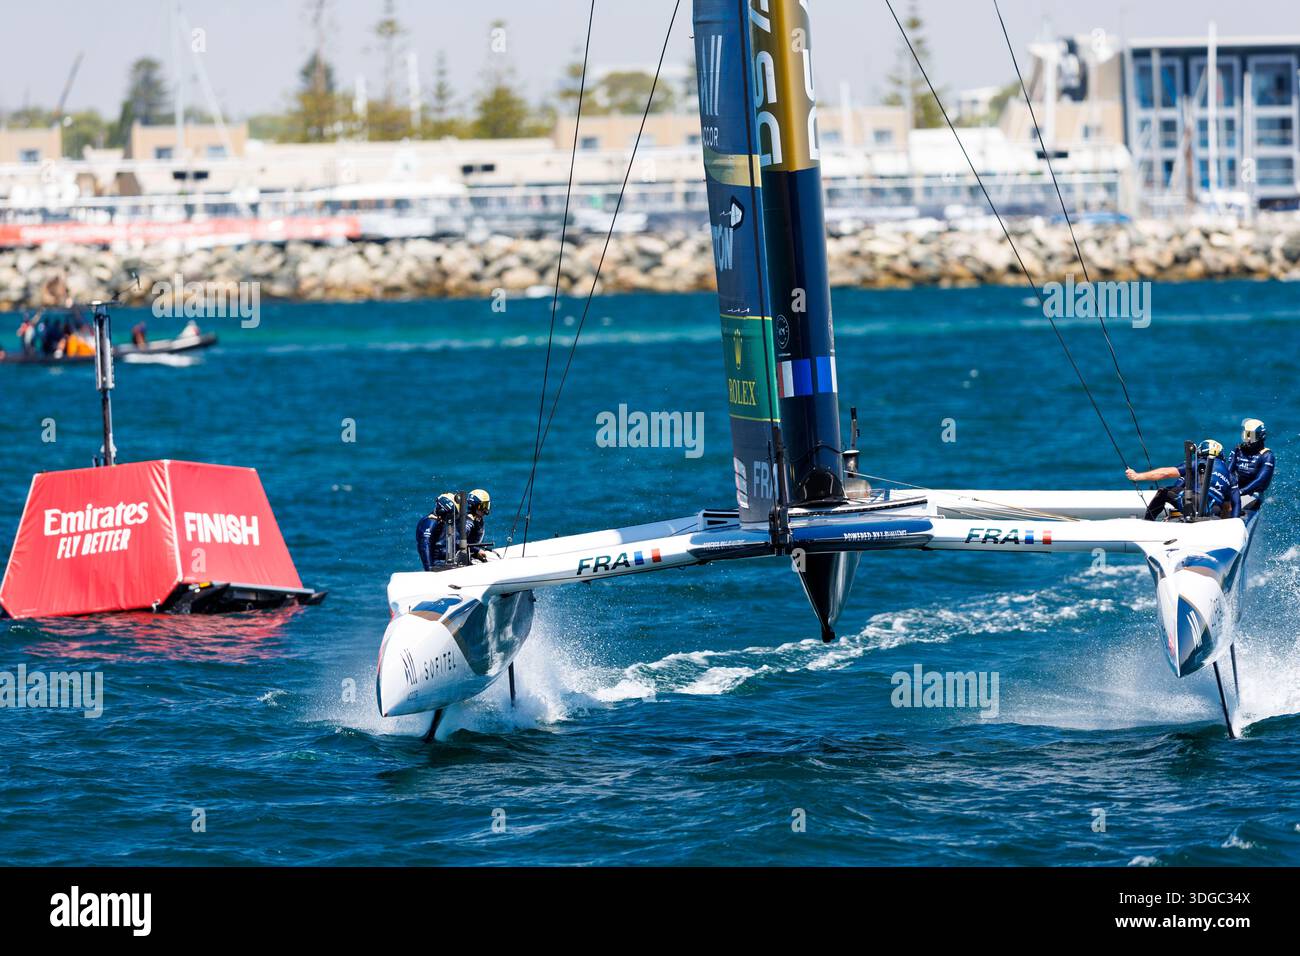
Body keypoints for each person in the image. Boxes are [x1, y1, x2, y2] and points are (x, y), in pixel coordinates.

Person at [1127, 439, 1241, 520]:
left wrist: (1137, 476)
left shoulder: (1198, 462)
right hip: (1215, 510)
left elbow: (1165, 473)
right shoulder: (1230, 475)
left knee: (1163, 492)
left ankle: (1147, 523)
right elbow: (1234, 504)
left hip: (1193, 505)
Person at [1228, 418, 1275, 507]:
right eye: (1247, 435)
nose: (1248, 439)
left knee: (1231, 506)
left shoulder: (1267, 456)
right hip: (1234, 490)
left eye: (1252, 436)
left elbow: (1260, 480)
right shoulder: (1238, 449)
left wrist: (1241, 492)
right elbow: (1228, 471)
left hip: (1253, 494)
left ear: (1261, 437)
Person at [416, 493, 459, 571]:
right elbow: (425, 546)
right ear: (443, 511)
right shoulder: (430, 522)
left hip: (449, 562)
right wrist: (429, 570)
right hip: (438, 565)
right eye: (450, 514)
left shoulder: (442, 523)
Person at [465, 488, 492, 562]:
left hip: (470, 555)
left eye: (487, 505)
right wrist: (477, 551)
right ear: (474, 506)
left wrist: (476, 552)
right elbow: (459, 543)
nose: (485, 509)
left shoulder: (478, 519)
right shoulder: (468, 521)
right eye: (483, 506)